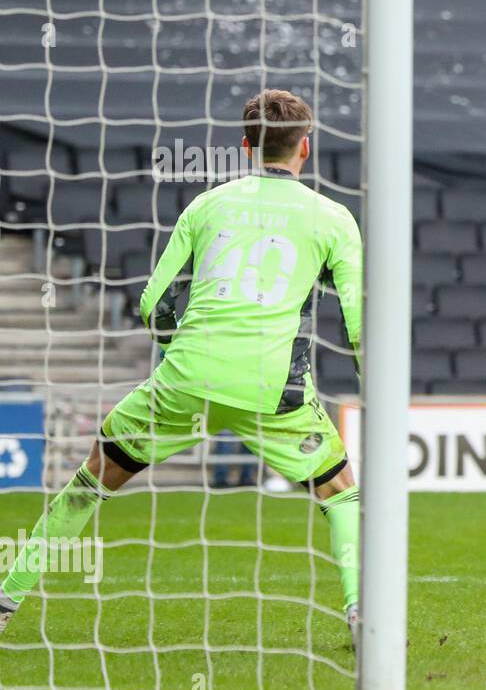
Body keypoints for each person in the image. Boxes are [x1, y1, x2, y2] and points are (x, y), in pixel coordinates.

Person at [0, 89, 364, 647]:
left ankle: (7, 599)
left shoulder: (208, 204)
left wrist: (178, 358)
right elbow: (359, 325)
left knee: (90, 480)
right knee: (339, 490)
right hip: (273, 388)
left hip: (187, 377)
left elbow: (152, 302)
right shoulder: (334, 218)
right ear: (305, 148)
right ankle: (363, 612)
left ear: (246, 146)